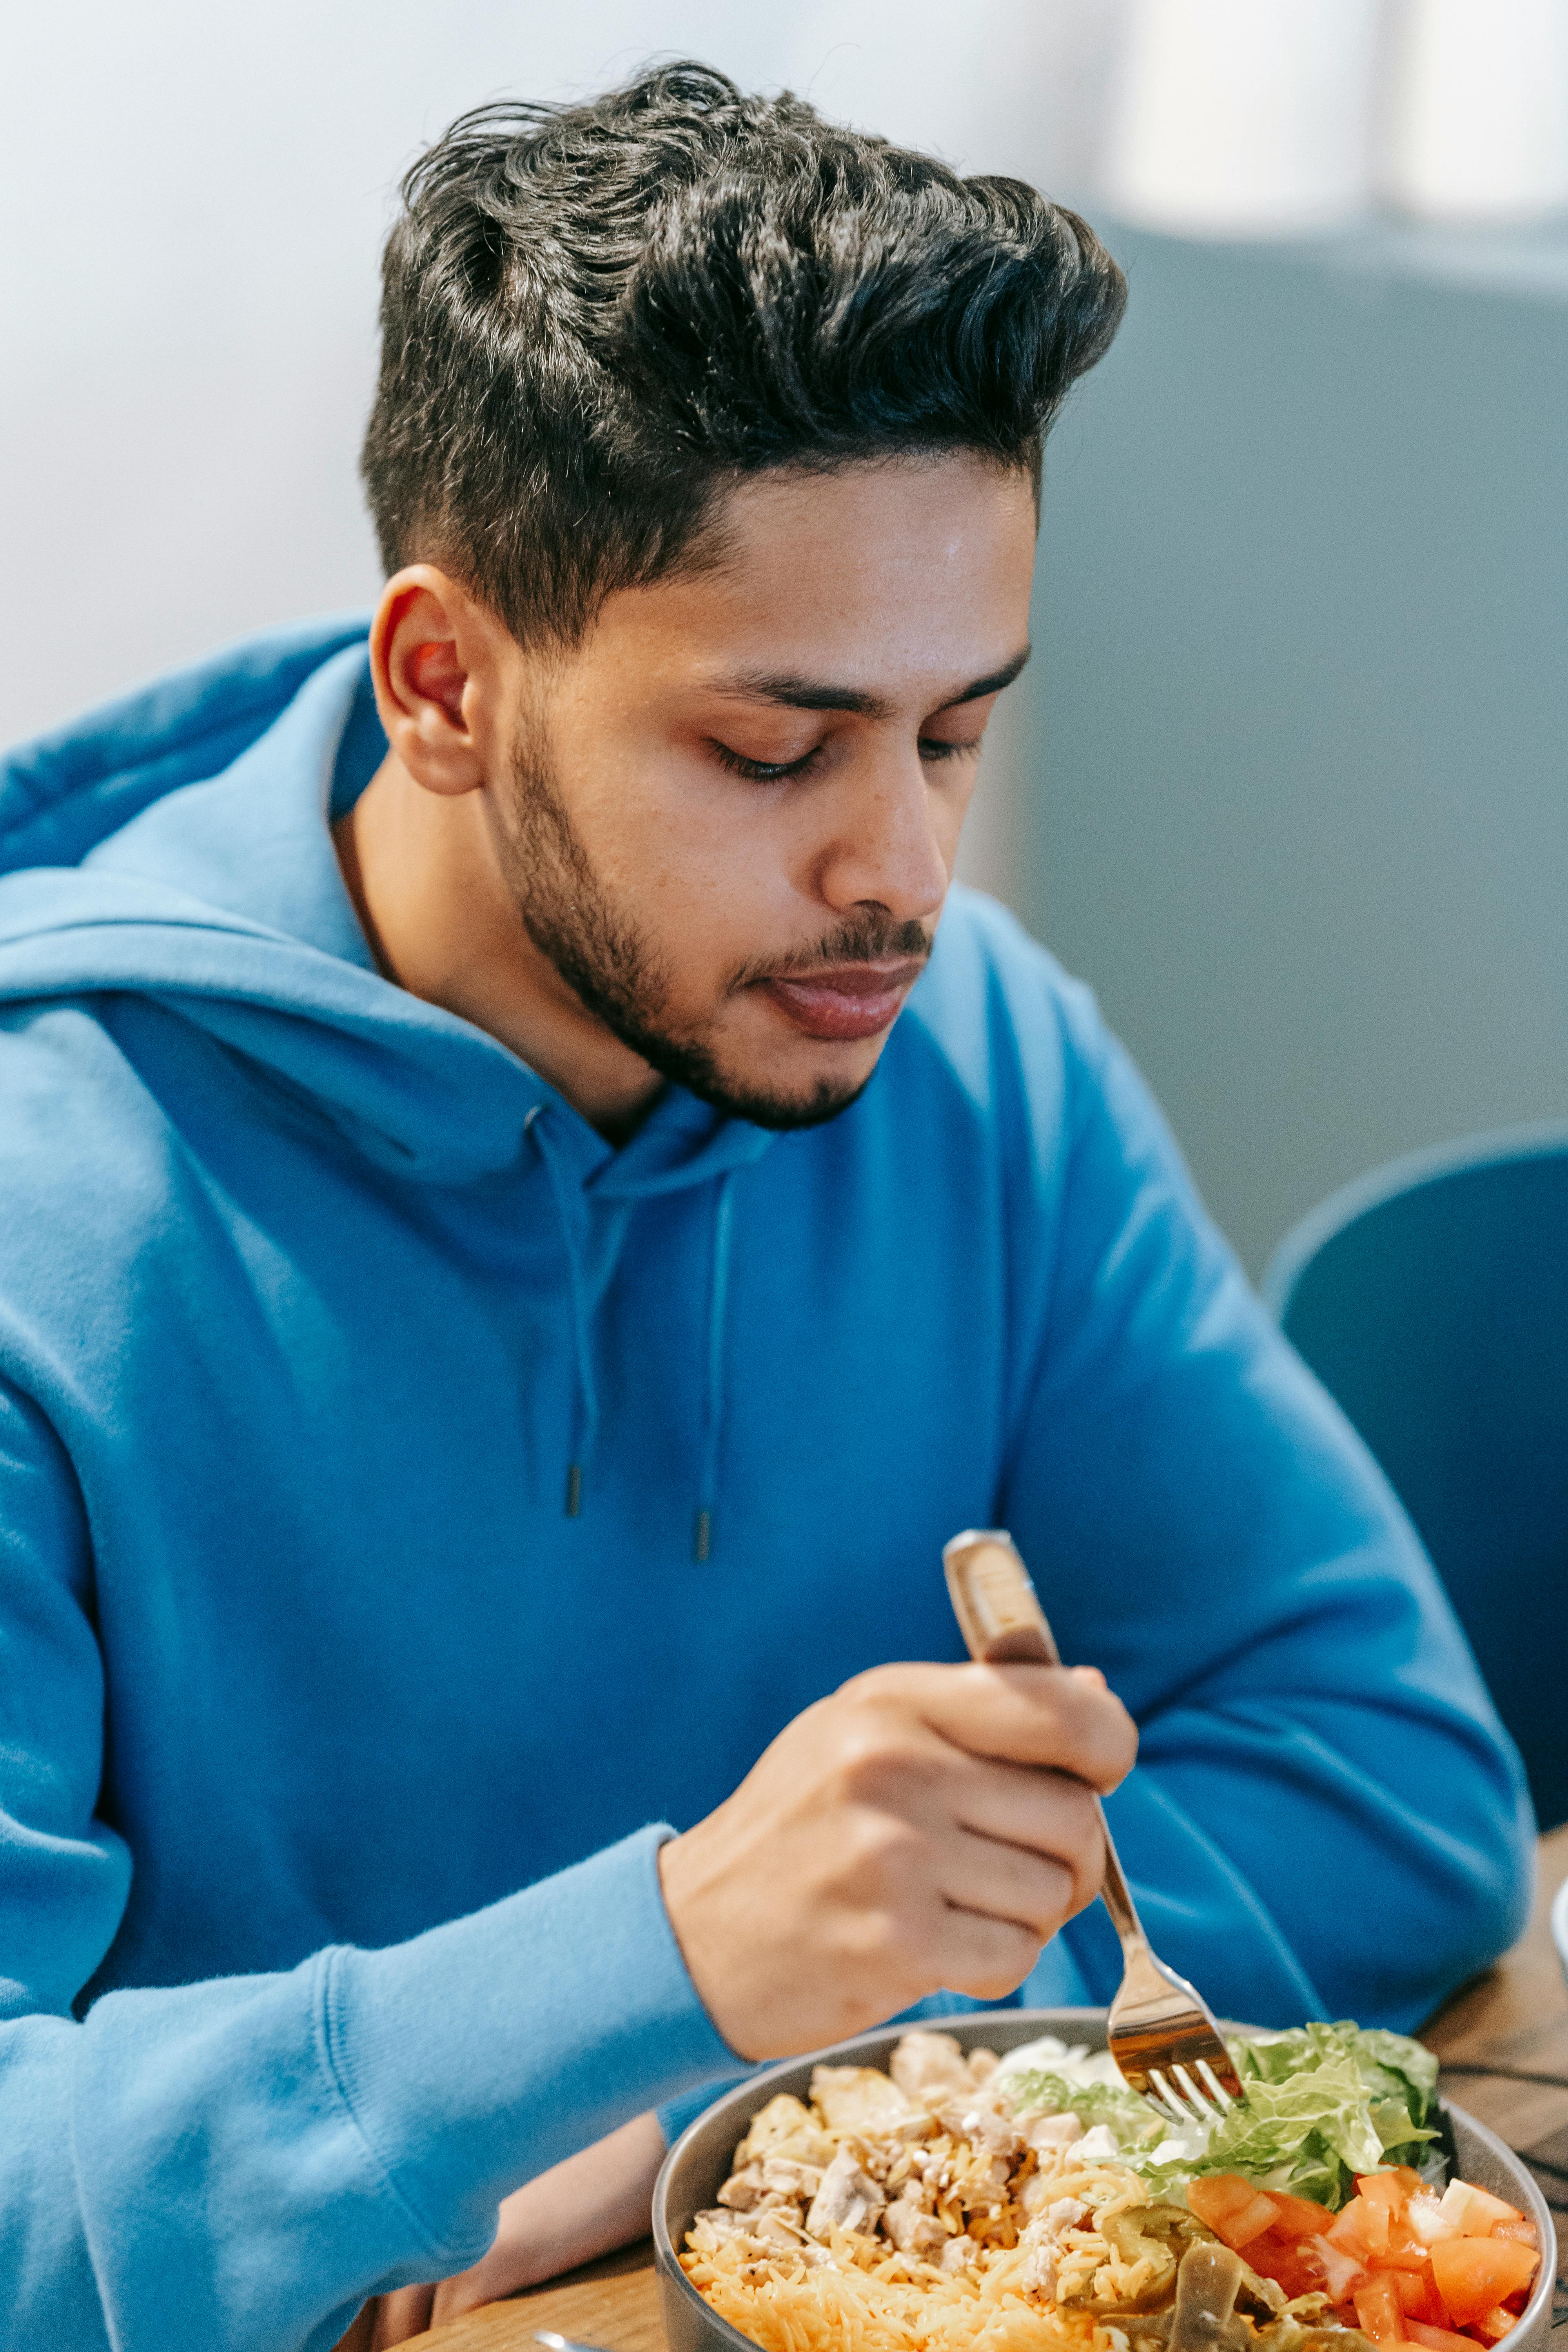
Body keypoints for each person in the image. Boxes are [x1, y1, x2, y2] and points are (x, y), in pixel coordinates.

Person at [0, 60, 1531, 2352]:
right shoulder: (45, 1212)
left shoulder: (982, 1056)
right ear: (445, 683)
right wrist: (659, 1961)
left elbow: (1392, 1779)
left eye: (956, 731)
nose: (902, 875)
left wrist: (726, 2084)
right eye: (771, 748)